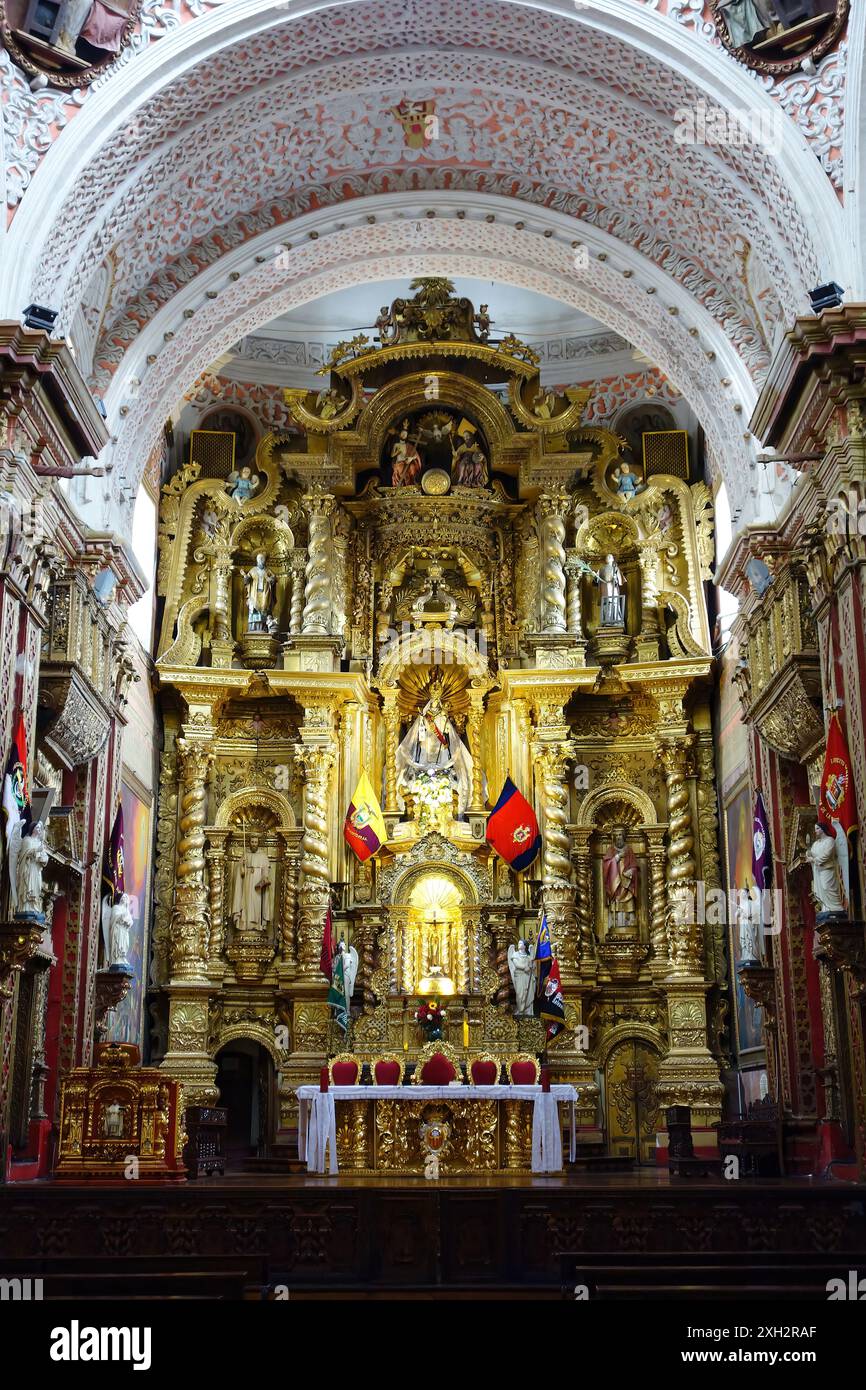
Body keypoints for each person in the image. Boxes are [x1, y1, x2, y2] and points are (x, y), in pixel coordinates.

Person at [395, 680, 473, 817]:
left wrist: (445, 723)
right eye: (433, 701)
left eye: (437, 700)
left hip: (440, 747)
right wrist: (423, 723)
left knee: (446, 756)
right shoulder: (425, 716)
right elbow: (420, 730)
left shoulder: (443, 715)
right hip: (426, 743)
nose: (435, 703)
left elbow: (447, 730)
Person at [231, 835, 273, 929]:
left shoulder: (263, 856)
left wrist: (264, 879)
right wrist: (242, 865)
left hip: (258, 885)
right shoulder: (245, 856)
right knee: (246, 903)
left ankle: (257, 925)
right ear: (249, 843)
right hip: (247, 884)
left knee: (256, 904)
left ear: (258, 843)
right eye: (252, 842)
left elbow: (265, 871)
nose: (254, 844)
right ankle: (245, 924)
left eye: (255, 842)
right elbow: (240, 873)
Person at [807, 822, 846, 917]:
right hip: (818, 871)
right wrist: (808, 854)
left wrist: (814, 859)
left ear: (822, 829)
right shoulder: (815, 844)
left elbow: (827, 855)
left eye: (817, 828)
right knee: (822, 890)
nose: (815, 831)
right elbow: (812, 854)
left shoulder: (830, 841)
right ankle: (826, 908)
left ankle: (836, 907)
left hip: (827, 869)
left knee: (827, 887)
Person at [603, 827, 639, 931]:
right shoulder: (611, 850)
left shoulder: (629, 850)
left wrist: (631, 871)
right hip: (616, 885)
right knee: (617, 907)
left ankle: (629, 926)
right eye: (616, 835)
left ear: (623, 836)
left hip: (627, 884)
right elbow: (606, 866)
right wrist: (617, 857)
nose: (618, 838)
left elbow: (635, 866)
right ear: (614, 837)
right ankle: (617, 926)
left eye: (620, 835)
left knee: (629, 905)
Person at [14, 820, 49, 921]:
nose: (38, 829)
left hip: (36, 869)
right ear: (32, 828)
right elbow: (23, 855)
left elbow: (44, 857)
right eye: (37, 827)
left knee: (36, 887)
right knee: (28, 887)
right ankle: (25, 907)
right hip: (28, 869)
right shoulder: (27, 840)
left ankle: (34, 907)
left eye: (40, 828)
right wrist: (35, 851)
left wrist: (43, 858)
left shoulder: (40, 843)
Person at [244, 553, 276, 630]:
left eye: (262, 559)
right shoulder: (253, 570)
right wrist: (245, 577)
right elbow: (247, 581)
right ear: (257, 560)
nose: (261, 561)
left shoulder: (267, 570)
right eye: (259, 559)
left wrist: (270, 580)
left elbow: (274, 578)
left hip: (265, 593)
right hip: (254, 593)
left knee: (264, 609)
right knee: (254, 609)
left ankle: (263, 628)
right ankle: (253, 628)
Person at [508, 939, 536, 1017]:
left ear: (524, 946)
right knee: (520, 994)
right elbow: (516, 965)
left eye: (521, 943)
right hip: (519, 976)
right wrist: (525, 967)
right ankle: (520, 1010)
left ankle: (528, 1011)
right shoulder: (515, 954)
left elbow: (533, 966)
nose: (519, 944)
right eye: (519, 943)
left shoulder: (529, 956)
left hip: (528, 976)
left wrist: (531, 966)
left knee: (528, 992)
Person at [596, 553, 626, 626]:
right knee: (606, 603)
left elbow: (620, 581)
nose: (608, 558)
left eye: (610, 557)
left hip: (613, 588)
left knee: (614, 602)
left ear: (612, 559)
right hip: (604, 588)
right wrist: (595, 576)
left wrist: (616, 579)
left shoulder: (615, 568)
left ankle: (617, 619)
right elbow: (596, 580)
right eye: (607, 557)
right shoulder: (601, 569)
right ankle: (606, 620)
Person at [390, 422, 423, 486]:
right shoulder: (397, 445)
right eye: (403, 434)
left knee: (412, 468)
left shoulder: (408, 446)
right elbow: (392, 455)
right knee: (400, 472)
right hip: (399, 463)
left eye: (405, 434)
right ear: (400, 435)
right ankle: (401, 486)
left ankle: (411, 484)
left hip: (407, 463)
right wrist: (397, 452)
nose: (404, 435)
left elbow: (415, 455)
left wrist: (411, 458)